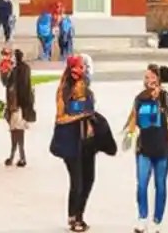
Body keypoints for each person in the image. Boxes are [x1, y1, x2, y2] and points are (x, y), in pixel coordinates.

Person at [50, 55, 115, 232]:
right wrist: (80, 116)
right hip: (71, 142)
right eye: (79, 67)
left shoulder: (87, 87)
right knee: (77, 181)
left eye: (83, 67)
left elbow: (91, 110)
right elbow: (60, 118)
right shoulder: (64, 90)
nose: (82, 70)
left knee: (89, 179)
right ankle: (72, 217)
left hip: (88, 142)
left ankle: (80, 215)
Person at [123, 64, 168, 233]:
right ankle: (142, 218)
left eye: (152, 77)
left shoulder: (167, 99)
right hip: (144, 149)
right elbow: (133, 119)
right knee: (142, 184)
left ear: (158, 79)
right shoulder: (140, 98)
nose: (149, 80)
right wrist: (129, 135)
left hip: (162, 150)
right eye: (146, 77)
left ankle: (157, 220)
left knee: (161, 185)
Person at [0, 47, 35, 167]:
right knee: (16, 131)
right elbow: (6, 83)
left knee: (17, 131)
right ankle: (16, 155)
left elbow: (18, 87)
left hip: (17, 105)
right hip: (16, 104)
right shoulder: (19, 69)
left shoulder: (19, 70)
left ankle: (21, 156)